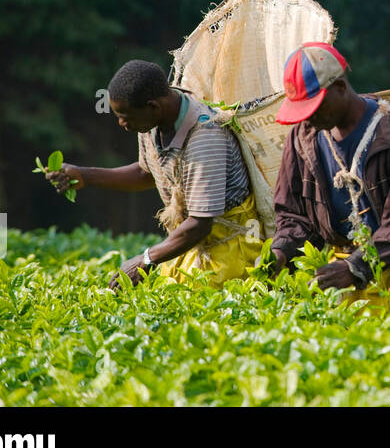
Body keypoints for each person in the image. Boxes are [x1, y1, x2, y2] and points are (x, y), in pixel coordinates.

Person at [45, 59, 266, 289]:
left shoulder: (205, 137)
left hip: (227, 253)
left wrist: (145, 259)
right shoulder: (151, 124)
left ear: (153, 107)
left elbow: (200, 224)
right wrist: (85, 175)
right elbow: (146, 172)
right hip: (188, 246)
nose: (122, 123)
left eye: (126, 117)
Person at [268, 42, 390, 304]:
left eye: (313, 108)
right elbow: (293, 214)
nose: (307, 119)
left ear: (339, 88)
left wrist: (356, 267)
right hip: (343, 272)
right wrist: (281, 250)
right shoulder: (302, 138)